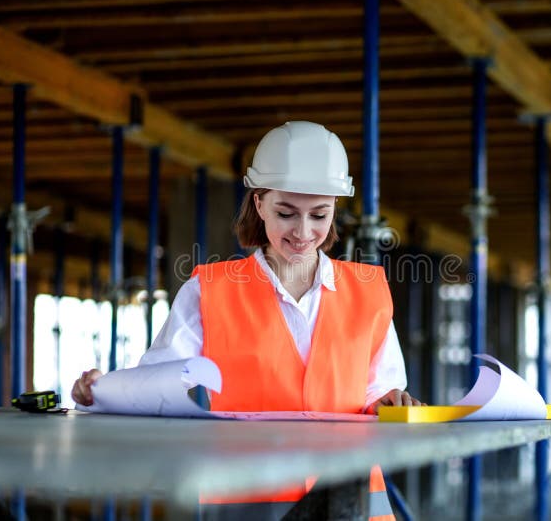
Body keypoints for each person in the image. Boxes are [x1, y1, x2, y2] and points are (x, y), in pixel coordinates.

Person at [72, 120, 422, 520]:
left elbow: (380, 392)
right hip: (251, 496)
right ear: (259, 203)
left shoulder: (368, 291)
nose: (304, 232)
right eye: (286, 213)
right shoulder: (211, 292)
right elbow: (155, 384)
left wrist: (391, 402)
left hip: (351, 493)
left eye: (319, 215)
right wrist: (99, 391)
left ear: (334, 210)